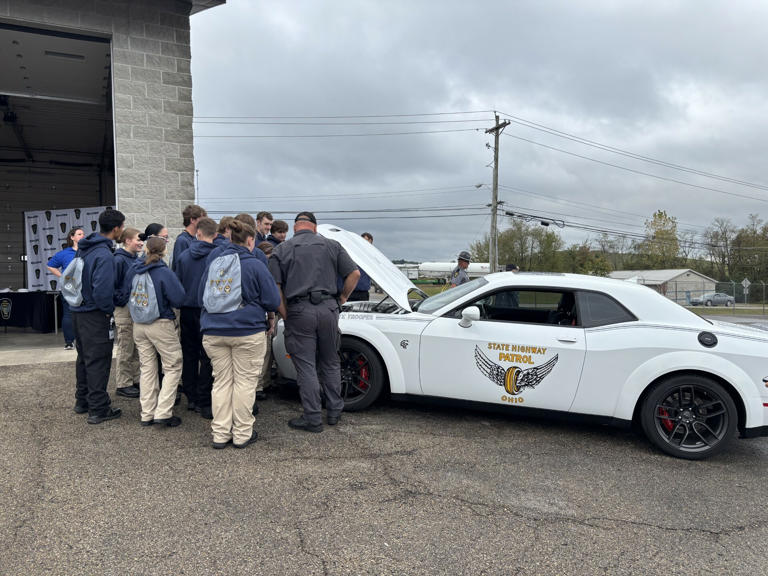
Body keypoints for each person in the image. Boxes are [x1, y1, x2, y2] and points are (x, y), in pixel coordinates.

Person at [269, 211, 360, 433]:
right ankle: (334, 410)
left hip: (299, 310)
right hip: (329, 309)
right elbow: (354, 274)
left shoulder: (281, 249)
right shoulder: (332, 245)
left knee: (306, 365)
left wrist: (285, 313)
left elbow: (275, 288)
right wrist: (342, 298)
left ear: (294, 228)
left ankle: (312, 417)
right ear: (315, 228)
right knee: (330, 361)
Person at [200, 219, 281, 449]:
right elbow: (272, 300)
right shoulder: (255, 264)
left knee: (222, 381)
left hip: (213, 330)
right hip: (247, 330)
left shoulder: (214, 264)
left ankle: (220, 433)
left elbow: (201, 297)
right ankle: (242, 433)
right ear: (250, 240)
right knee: (245, 382)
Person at [125, 236, 186, 427]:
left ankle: (147, 412)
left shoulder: (134, 269)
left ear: (146, 250)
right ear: (164, 251)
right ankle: (163, 412)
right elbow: (178, 298)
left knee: (147, 368)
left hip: (139, 324)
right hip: (161, 324)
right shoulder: (163, 272)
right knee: (172, 366)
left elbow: (124, 292)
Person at [71, 208, 125, 424]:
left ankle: (82, 401)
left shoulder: (84, 249)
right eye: (122, 227)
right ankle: (99, 409)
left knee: (84, 358)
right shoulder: (103, 254)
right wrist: (108, 310)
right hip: (94, 313)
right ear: (116, 229)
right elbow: (102, 291)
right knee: (99, 361)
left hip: (77, 310)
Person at [174, 217, 219, 420]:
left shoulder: (183, 256)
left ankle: (191, 396)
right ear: (215, 235)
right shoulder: (218, 256)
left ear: (198, 233)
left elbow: (177, 282)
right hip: (207, 310)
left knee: (189, 354)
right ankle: (204, 398)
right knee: (208, 356)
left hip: (187, 309)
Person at [113, 227, 143, 399]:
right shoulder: (119, 260)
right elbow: (114, 285)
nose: (140, 243)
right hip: (124, 309)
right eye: (137, 239)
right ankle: (123, 383)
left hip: (136, 308)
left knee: (138, 346)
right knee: (126, 346)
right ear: (127, 241)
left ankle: (136, 379)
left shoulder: (134, 259)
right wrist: (123, 299)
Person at [46, 226, 85, 350]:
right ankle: (69, 342)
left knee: (86, 313)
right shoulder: (64, 253)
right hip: (70, 287)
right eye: (79, 234)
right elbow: (50, 265)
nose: (82, 236)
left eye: (83, 234)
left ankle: (84, 340)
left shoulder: (88, 251)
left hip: (85, 287)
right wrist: (63, 277)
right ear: (72, 237)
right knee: (68, 314)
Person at [172, 204, 207, 270]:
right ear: (192, 220)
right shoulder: (182, 240)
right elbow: (179, 267)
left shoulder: (194, 238)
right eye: (201, 219)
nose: (204, 223)